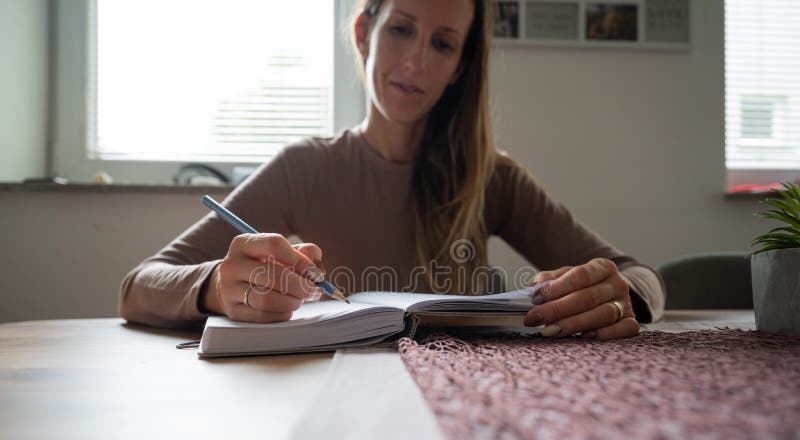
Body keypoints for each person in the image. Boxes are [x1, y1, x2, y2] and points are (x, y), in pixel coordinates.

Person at [119, 0, 665, 340]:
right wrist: (215, 285)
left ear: (458, 69)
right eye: (402, 30)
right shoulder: (305, 167)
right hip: (333, 404)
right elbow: (138, 287)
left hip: (471, 404)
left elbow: (641, 276)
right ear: (364, 34)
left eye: (443, 44)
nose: (417, 62)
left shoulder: (492, 179)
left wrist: (619, 297)